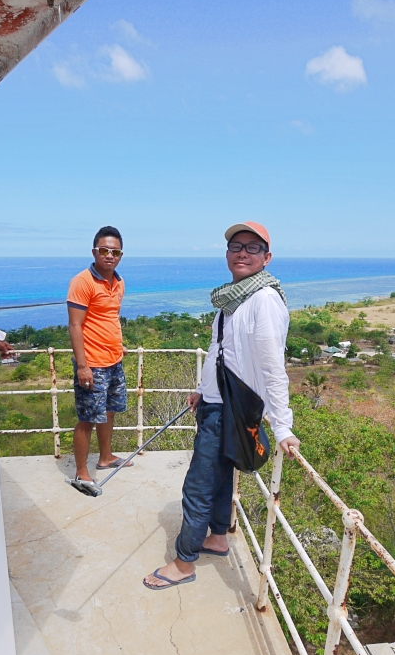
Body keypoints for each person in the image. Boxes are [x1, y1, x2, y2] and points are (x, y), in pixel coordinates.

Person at [144, 220, 300, 590]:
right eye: (235, 247)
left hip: (233, 408)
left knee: (198, 485)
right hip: (217, 402)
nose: (242, 253)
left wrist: (282, 427)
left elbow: (272, 367)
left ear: (267, 257)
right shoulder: (233, 299)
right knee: (217, 479)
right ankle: (216, 536)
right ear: (227, 254)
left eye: (252, 248)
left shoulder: (263, 300)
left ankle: (183, 563)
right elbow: (220, 350)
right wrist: (202, 388)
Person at [67, 226, 132, 493]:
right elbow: (74, 325)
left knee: (109, 411)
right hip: (92, 363)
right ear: (94, 251)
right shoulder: (82, 282)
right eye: (104, 250)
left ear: (120, 255)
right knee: (88, 417)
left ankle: (105, 457)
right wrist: (83, 365)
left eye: (114, 251)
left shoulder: (118, 282)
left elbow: (108, 318)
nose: (109, 255)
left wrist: (118, 345)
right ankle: (82, 472)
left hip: (113, 360)